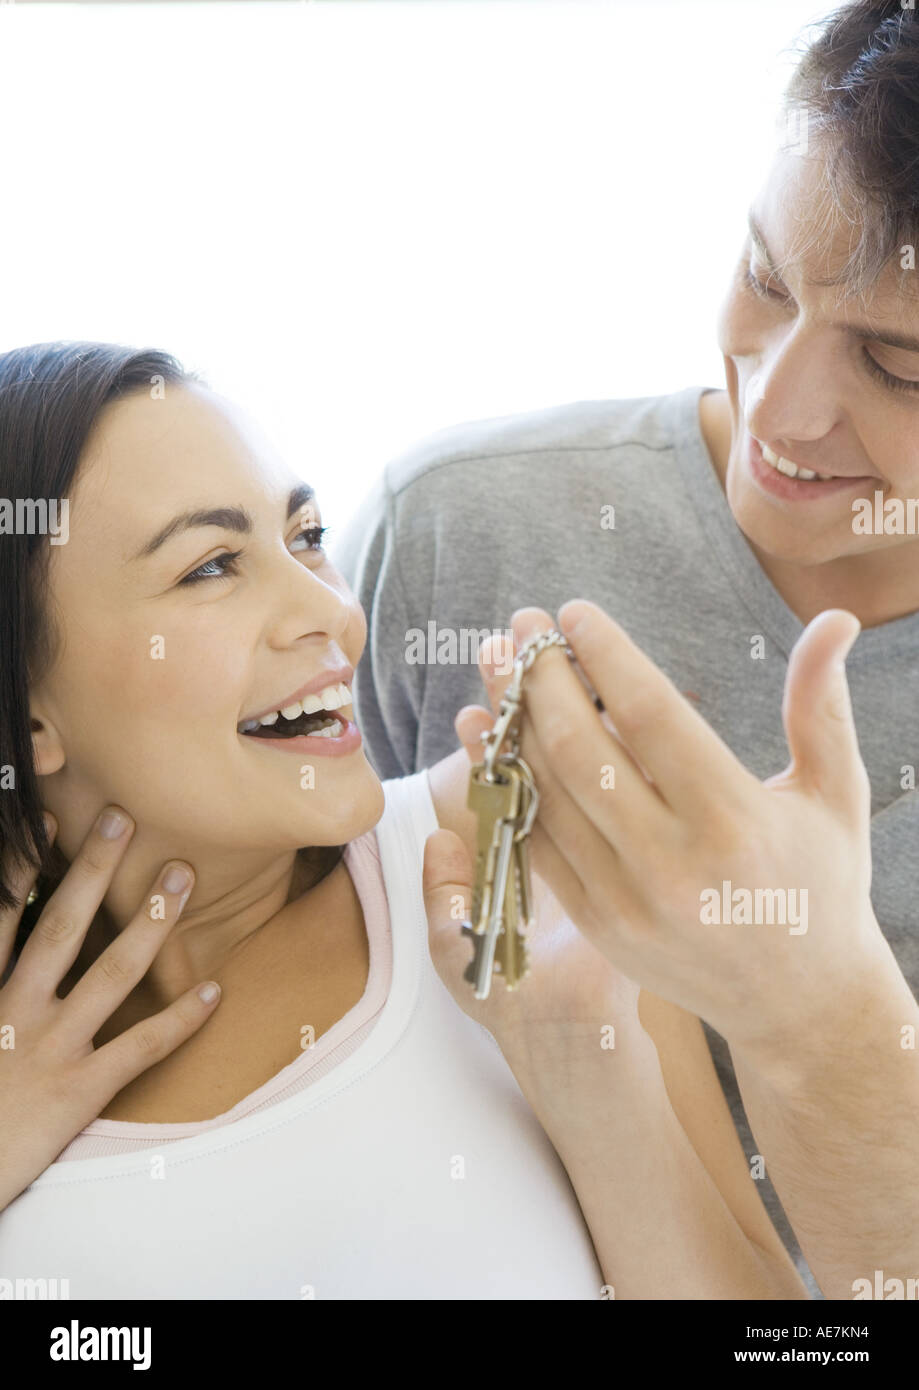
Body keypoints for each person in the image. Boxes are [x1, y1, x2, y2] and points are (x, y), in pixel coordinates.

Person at [0, 342, 806, 1300]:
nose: (331, 613)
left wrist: (591, 1077)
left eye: (305, 535)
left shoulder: (503, 845)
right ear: (31, 714)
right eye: (212, 566)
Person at [334, 0, 919, 1301]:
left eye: (895, 365)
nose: (774, 400)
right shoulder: (453, 523)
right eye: (765, 274)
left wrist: (813, 1008)